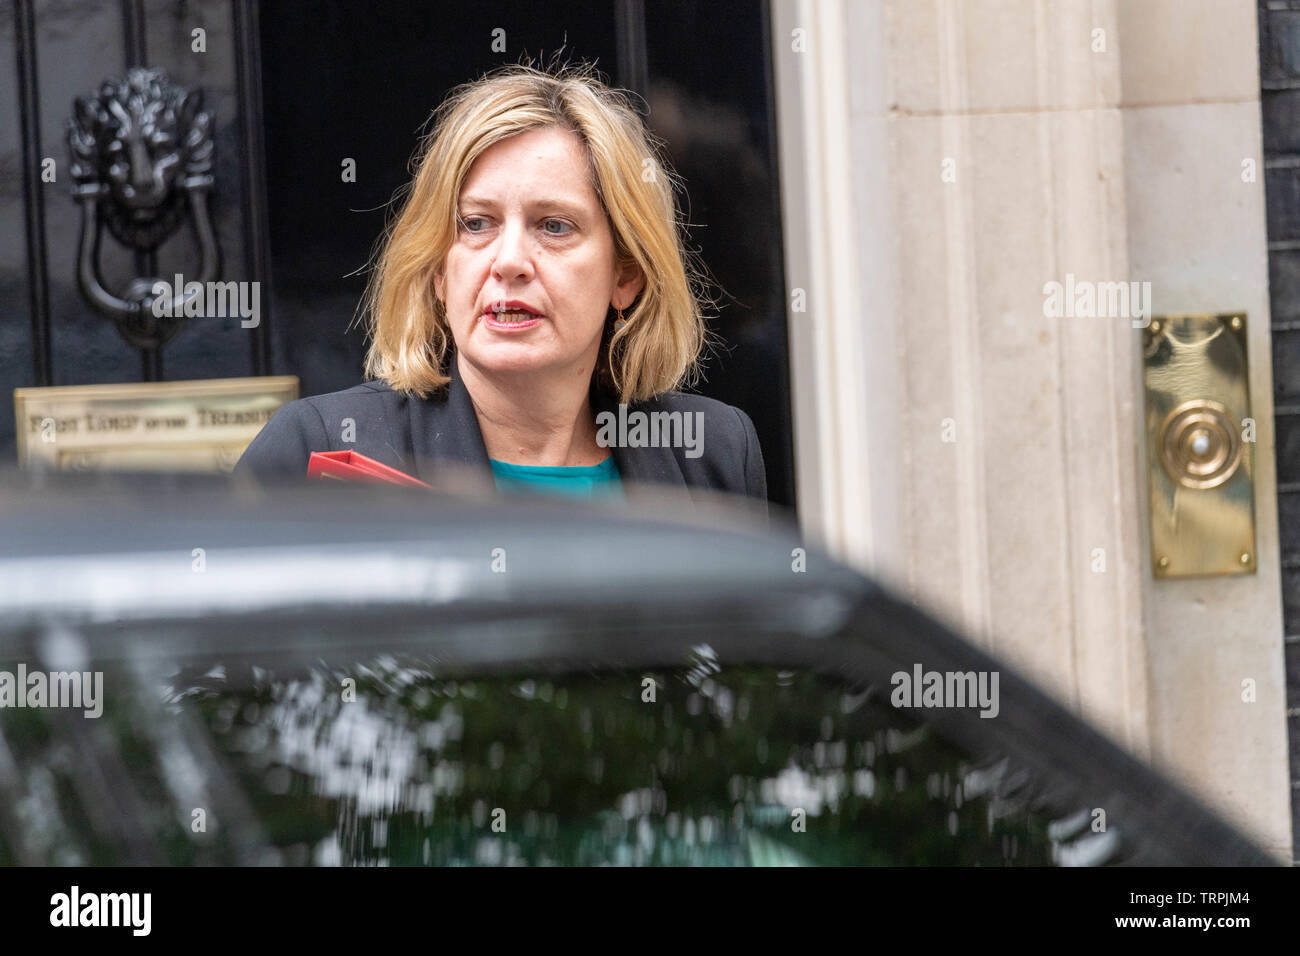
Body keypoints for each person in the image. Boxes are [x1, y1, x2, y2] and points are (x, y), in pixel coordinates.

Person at [235, 62, 766, 509]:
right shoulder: (312, 447)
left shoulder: (712, 453)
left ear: (625, 276)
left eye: (554, 226)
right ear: (439, 270)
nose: (508, 261)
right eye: (476, 223)